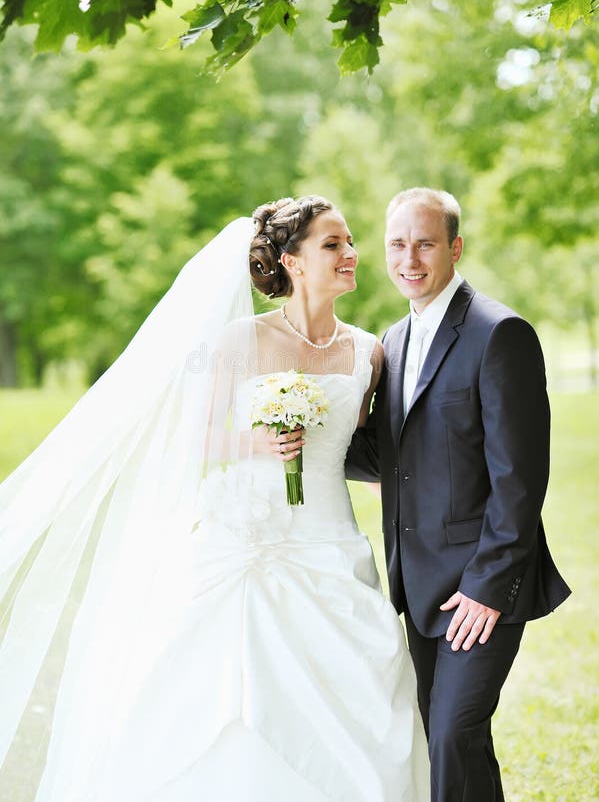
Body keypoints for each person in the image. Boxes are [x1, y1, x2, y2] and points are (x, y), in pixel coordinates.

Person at [0, 196, 429, 801]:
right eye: (333, 244)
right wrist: (258, 442)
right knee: (218, 690)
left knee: (359, 685)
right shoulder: (238, 341)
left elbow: (360, 450)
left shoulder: (368, 352)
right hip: (244, 541)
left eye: (351, 242)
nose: (351, 254)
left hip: (331, 544)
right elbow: (196, 437)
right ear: (292, 262)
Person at [341, 187, 571, 801]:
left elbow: (520, 480)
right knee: (453, 740)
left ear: (455, 247)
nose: (409, 259)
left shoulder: (500, 334)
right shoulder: (392, 341)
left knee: (450, 736)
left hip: (480, 585)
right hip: (418, 584)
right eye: (397, 244)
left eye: (425, 243)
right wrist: (306, 434)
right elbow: (391, 456)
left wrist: (487, 587)